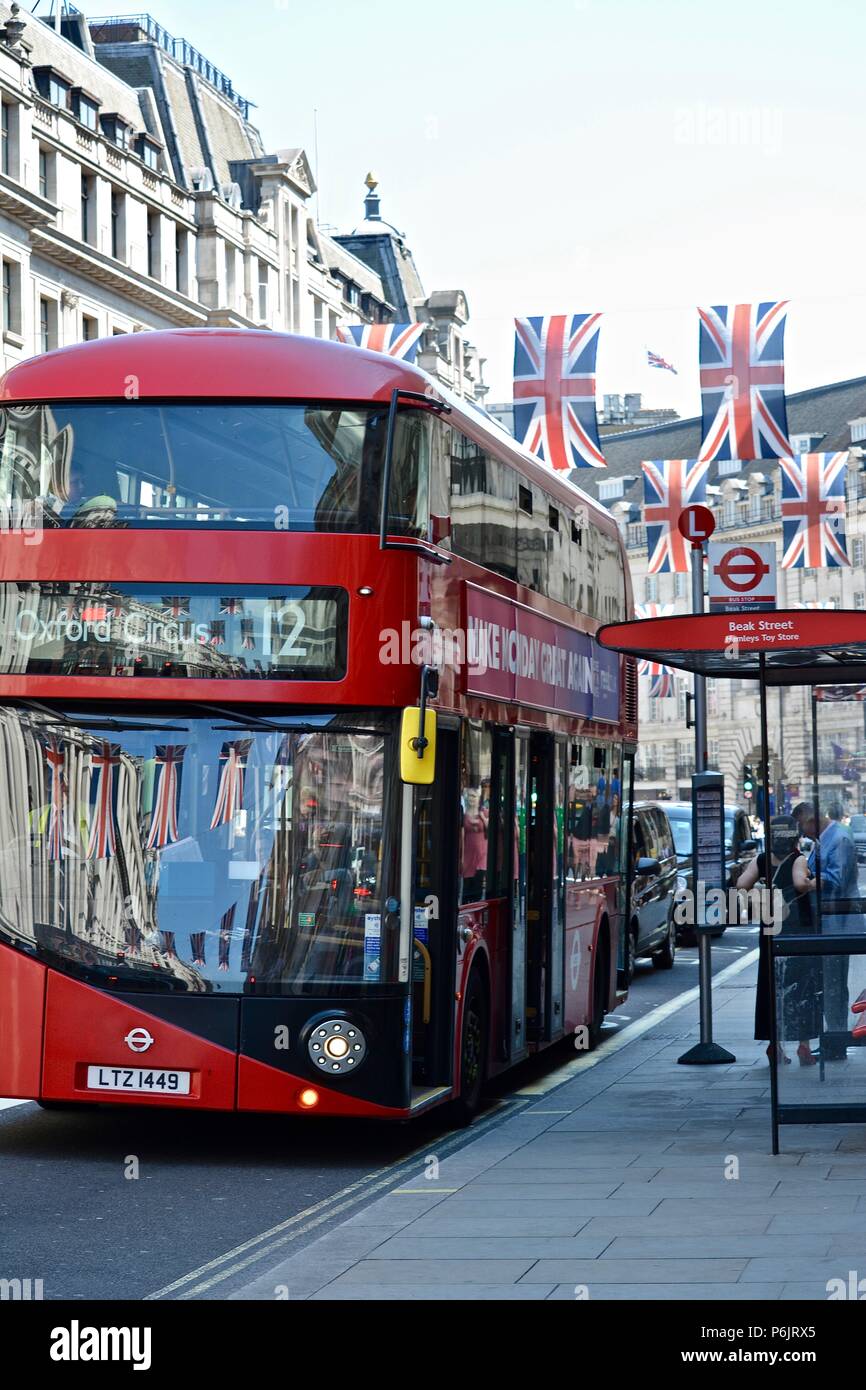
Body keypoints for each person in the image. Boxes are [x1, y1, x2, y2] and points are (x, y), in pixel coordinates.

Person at [738, 814, 822, 1065]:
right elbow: (800, 884)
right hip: (798, 929)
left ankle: (774, 1045)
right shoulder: (797, 859)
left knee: (771, 984)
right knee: (802, 985)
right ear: (794, 837)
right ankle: (804, 1046)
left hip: (771, 927)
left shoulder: (762, 859)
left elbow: (742, 884)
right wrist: (816, 882)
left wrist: (762, 894)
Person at [796, 799, 862, 1058]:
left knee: (834, 984)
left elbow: (836, 879)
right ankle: (833, 1040)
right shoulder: (826, 838)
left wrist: (807, 881)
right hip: (828, 922)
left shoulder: (838, 838)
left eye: (802, 825)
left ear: (812, 819)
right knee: (829, 983)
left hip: (838, 922)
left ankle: (836, 1043)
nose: (802, 832)